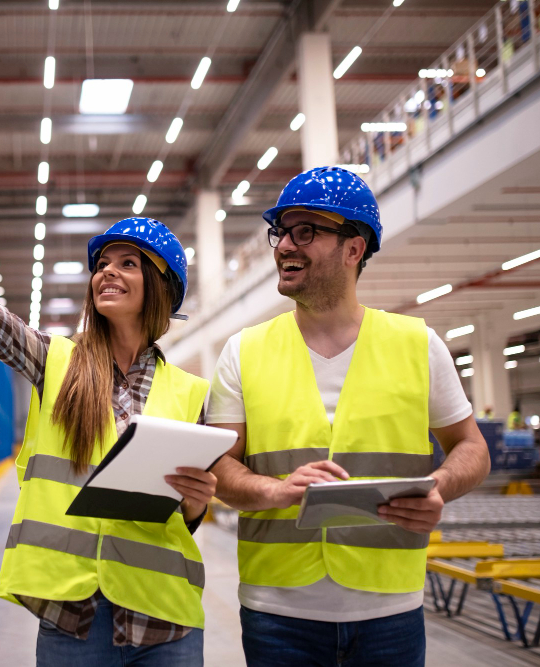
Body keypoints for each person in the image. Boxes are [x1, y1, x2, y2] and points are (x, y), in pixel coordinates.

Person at [0, 119, 216, 666]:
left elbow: (185, 512)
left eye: (128, 263)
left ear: (163, 289)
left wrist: (197, 503)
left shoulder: (194, 392)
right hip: (73, 616)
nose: (107, 272)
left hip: (163, 617)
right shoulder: (55, 360)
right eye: (102, 264)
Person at [207, 166, 491, 666]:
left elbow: (472, 447)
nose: (285, 246)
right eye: (283, 232)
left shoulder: (418, 345)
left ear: (354, 248)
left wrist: (440, 486)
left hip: (390, 609)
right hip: (278, 611)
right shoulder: (243, 351)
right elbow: (220, 468)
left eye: (306, 232)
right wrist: (273, 490)